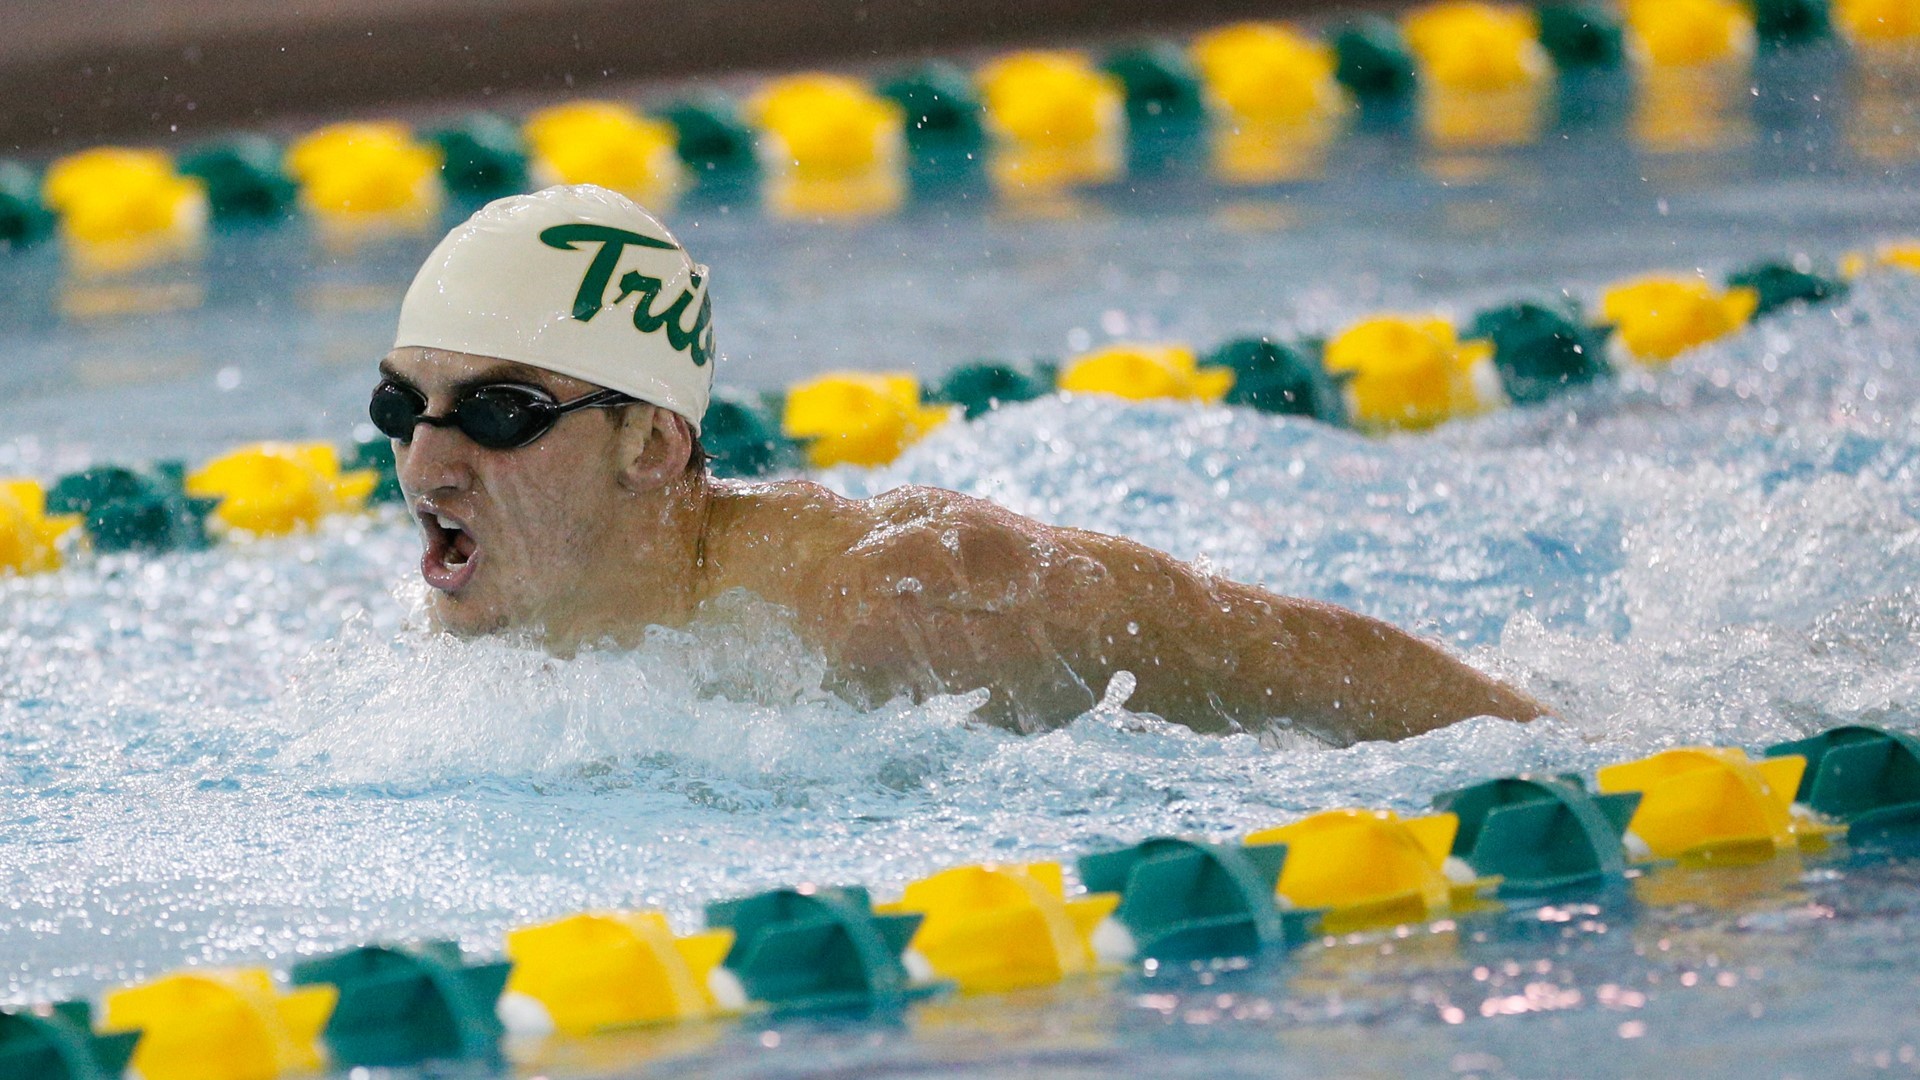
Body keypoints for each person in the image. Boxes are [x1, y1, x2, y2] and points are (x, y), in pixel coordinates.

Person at [375, 184, 1546, 745]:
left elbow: (1269, 651)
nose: (428, 459)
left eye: (503, 411)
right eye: (401, 402)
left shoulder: (910, 598)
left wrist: (1552, 744)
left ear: (653, 444)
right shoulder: (482, 640)